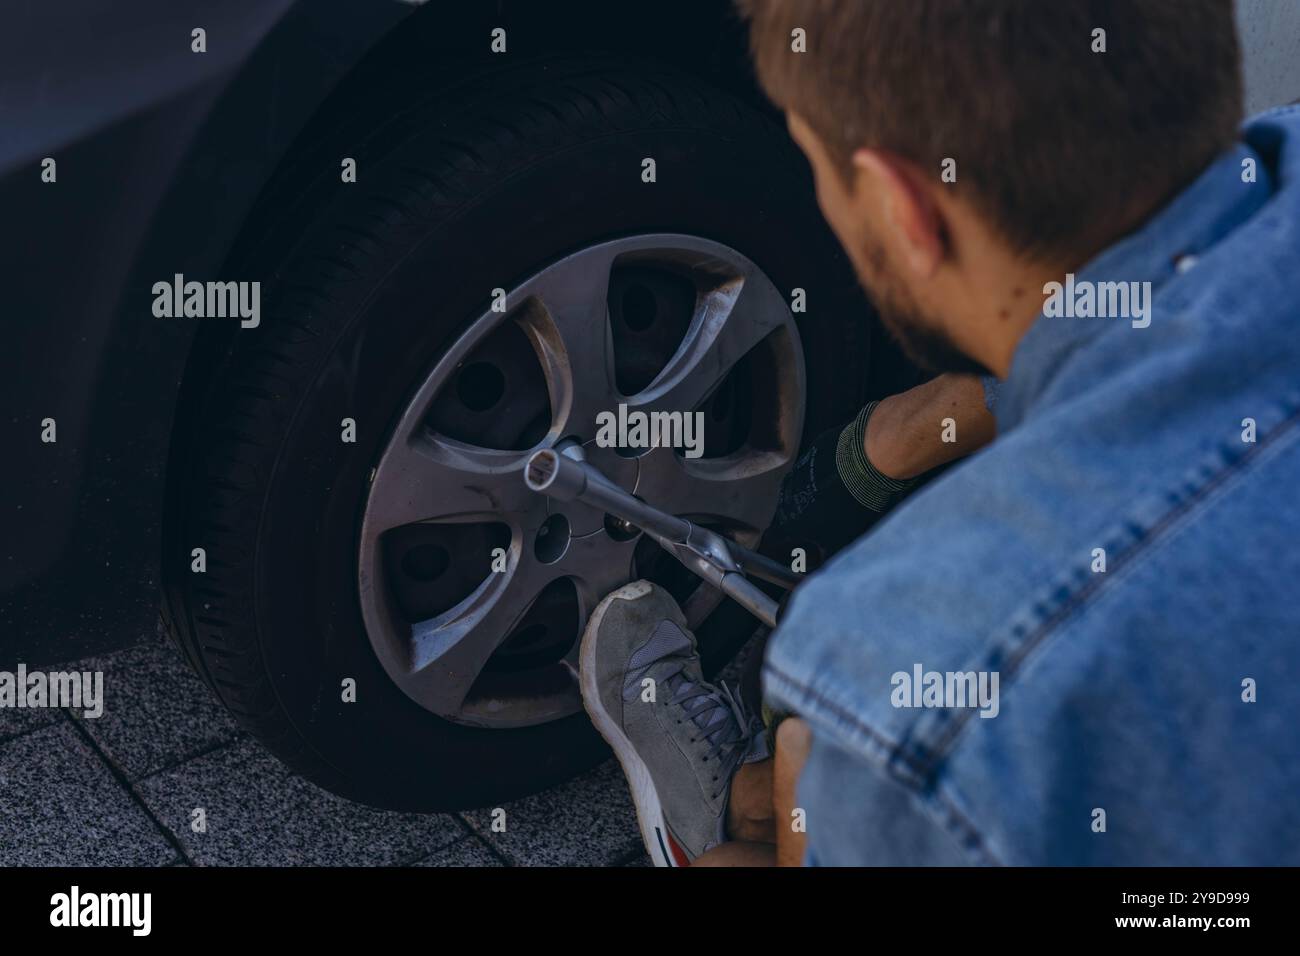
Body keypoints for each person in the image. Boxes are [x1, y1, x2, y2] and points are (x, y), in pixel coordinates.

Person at [579, 0, 1300, 866]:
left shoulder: (916, 687)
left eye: (818, 168)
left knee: (816, 761)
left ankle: (726, 831)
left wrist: (860, 686)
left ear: (902, 208)